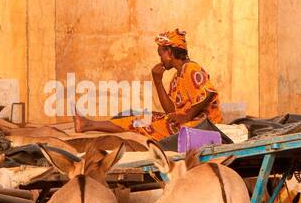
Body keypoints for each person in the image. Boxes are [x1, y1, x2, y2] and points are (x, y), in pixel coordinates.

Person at [74, 29, 222, 138]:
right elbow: (170, 110)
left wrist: (186, 117)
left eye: (161, 54)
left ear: (170, 53)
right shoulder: (176, 79)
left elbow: (208, 93)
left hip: (204, 125)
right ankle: (89, 124)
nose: (160, 59)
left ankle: (90, 125)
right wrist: (157, 82)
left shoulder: (191, 68)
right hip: (188, 121)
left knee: (149, 126)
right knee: (143, 118)